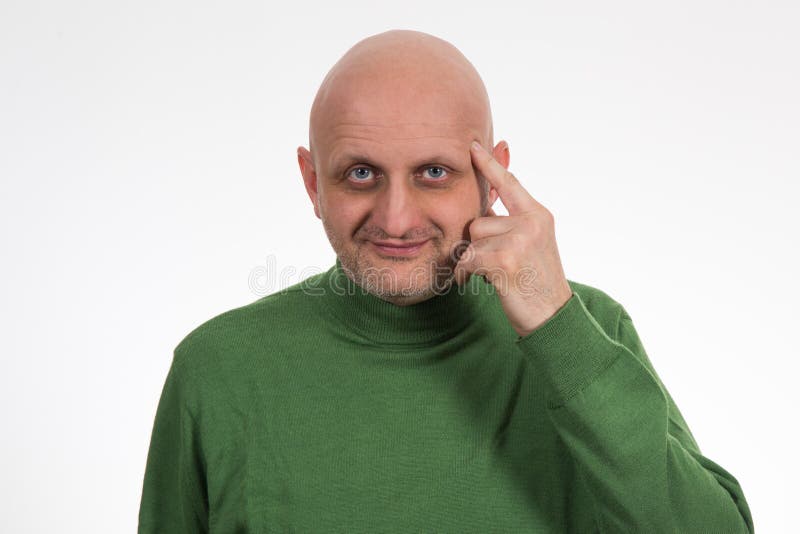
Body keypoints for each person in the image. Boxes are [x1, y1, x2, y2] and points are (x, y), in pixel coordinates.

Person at [138, 29, 753, 533]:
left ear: (494, 177)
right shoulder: (216, 370)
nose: (396, 219)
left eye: (434, 171)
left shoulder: (585, 331)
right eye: (359, 174)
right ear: (311, 182)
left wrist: (555, 326)